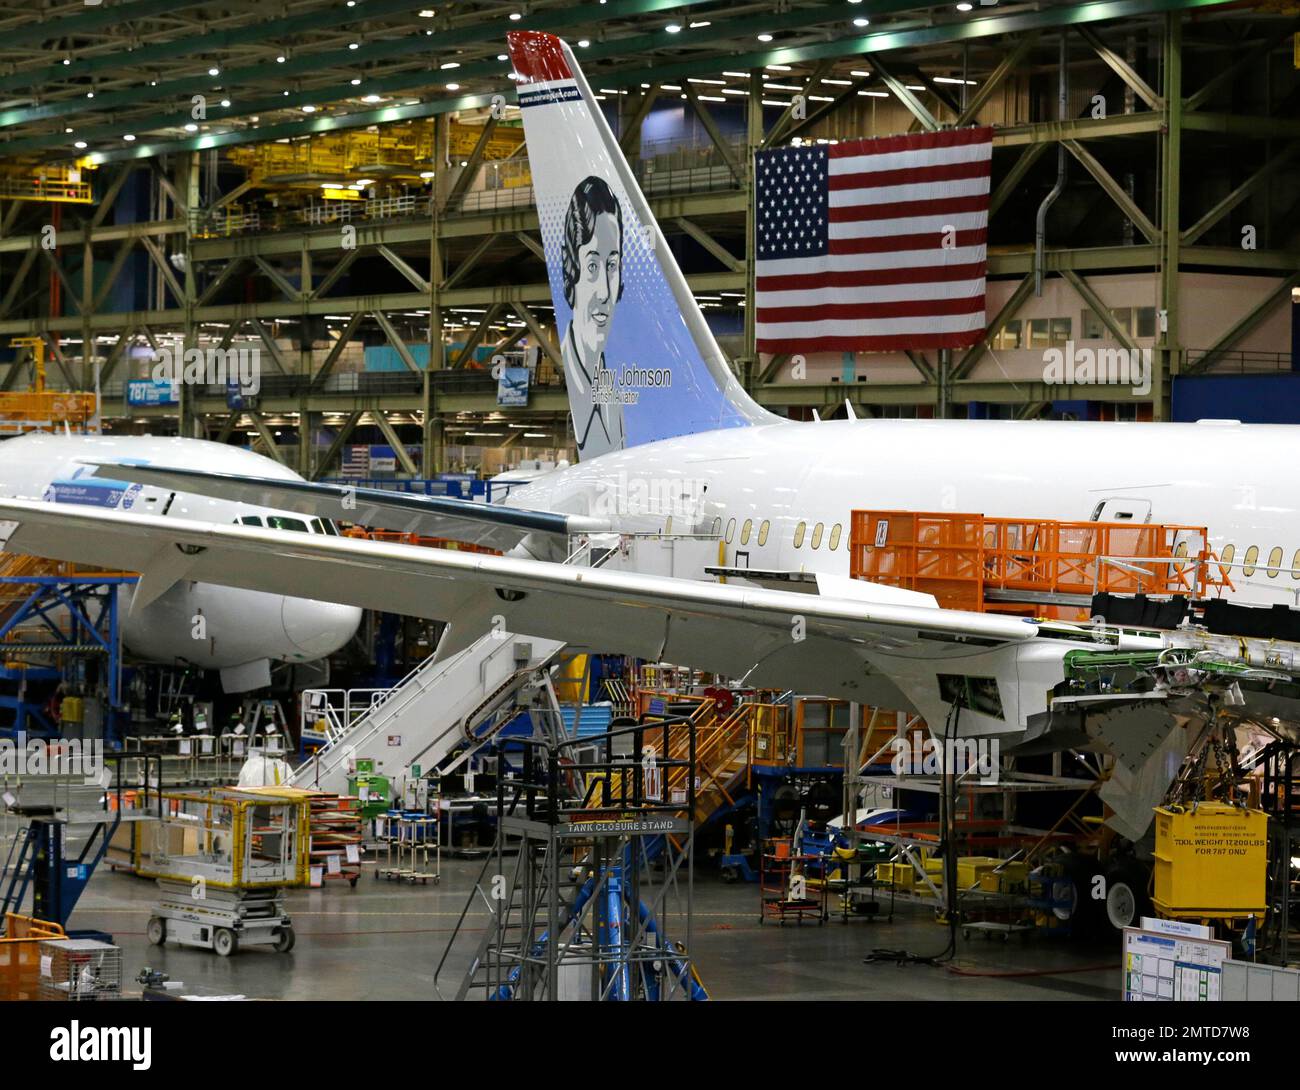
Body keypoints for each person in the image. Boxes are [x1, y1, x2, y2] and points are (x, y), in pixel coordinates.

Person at [560, 175, 625, 455]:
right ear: (570, 268)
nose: (604, 292)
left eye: (611, 265)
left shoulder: (618, 397)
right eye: (592, 267)